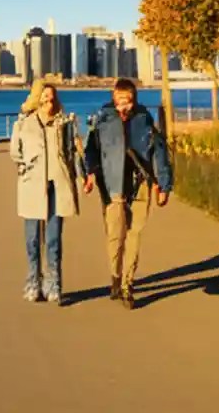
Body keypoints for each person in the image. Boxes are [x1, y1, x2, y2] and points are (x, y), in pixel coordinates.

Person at [83, 78, 173, 310]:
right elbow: (90, 150)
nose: (125, 106)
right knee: (116, 236)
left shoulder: (144, 119)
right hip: (112, 184)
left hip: (141, 183)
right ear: (114, 99)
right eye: (120, 101)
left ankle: (127, 284)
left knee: (135, 234)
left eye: (129, 101)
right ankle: (115, 274)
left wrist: (163, 184)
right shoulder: (103, 119)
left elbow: (159, 152)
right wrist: (90, 173)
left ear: (135, 100)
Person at [10, 82, 84, 304]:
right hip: (32, 185)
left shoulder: (65, 123)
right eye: (44, 97)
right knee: (32, 238)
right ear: (37, 99)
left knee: (53, 239)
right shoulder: (24, 124)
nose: (48, 102)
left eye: (52, 97)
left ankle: (54, 281)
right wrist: (26, 168)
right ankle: (33, 279)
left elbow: (73, 153)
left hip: (57, 184)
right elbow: (15, 151)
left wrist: (82, 176)